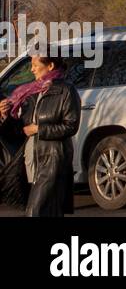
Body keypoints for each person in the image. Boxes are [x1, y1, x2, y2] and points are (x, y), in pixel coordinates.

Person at [0, 54, 81, 217]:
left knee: (34, 211)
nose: (31, 69)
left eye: (35, 65)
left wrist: (40, 129)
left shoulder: (66, 90)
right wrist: (5, 116)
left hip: (53, 159)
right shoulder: (31, 93)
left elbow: (71, 126)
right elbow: (21, 129)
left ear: (50, 66)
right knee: (51, 211)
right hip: (31, 161)